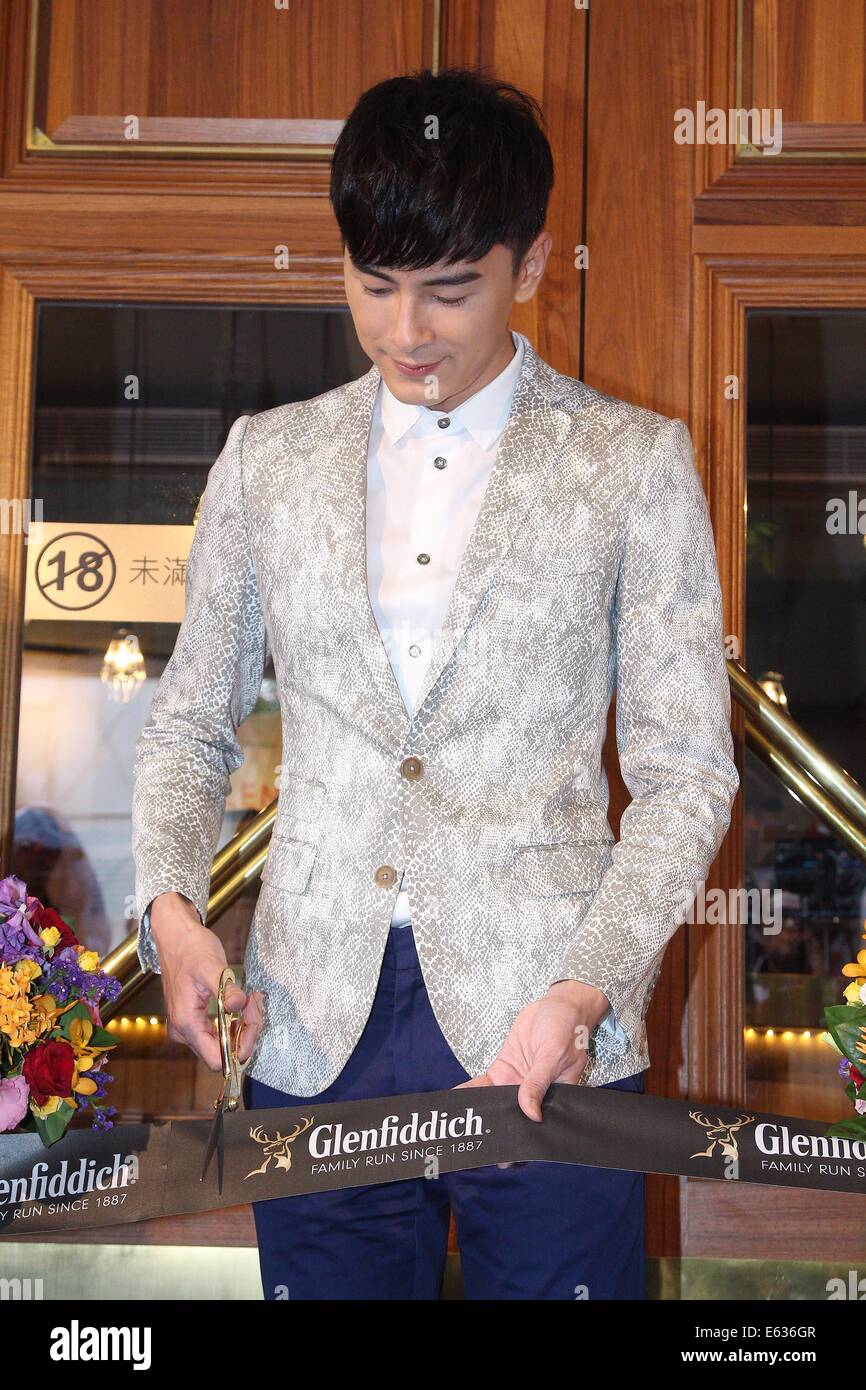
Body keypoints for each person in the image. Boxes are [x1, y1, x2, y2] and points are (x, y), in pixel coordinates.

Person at [131, 67, 739, 1300]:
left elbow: (683, 777)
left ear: (530, 264)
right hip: (311, 1020)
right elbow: (191, 723)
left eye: (449, 288)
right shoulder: (266, 458)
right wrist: (172, 914)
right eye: (373, 284)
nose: (406, 330)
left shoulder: (631, 463)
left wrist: (585, 984)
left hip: (546, 1024)